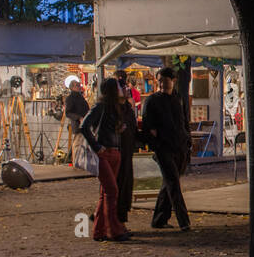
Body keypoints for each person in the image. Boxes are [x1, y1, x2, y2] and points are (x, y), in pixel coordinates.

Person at [80, 78, 131, 242]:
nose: (122, 89)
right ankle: (113, 230)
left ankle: (99, 231)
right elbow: (84, 126)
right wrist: (96, 146)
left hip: (114, 151)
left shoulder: (115, 108)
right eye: (118, 87)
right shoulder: (100, 107)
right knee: (111, 191)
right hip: (104, 152)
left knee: (106, 193)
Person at [140, 66, 191, 230]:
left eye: (165, 80)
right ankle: (184, 221)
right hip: (163, 147)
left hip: (179, 146)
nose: (162, 83)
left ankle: (159, 219)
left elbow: (184, 121)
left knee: (169, 183)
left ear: (173, 80)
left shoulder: (179, 99)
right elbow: (148, 125)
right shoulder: (152, 100)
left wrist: (187, 140)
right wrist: (155, 142)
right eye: (160, 80)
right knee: (173, 182)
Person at [112, 71, 139, 224]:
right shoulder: (109, 108)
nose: (126, 90)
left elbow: (133, 127)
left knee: (125, 185)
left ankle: (120, 219)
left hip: (127, 151)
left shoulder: (127, 108)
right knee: (117, 186)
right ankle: (111, 219)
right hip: (116, 152)